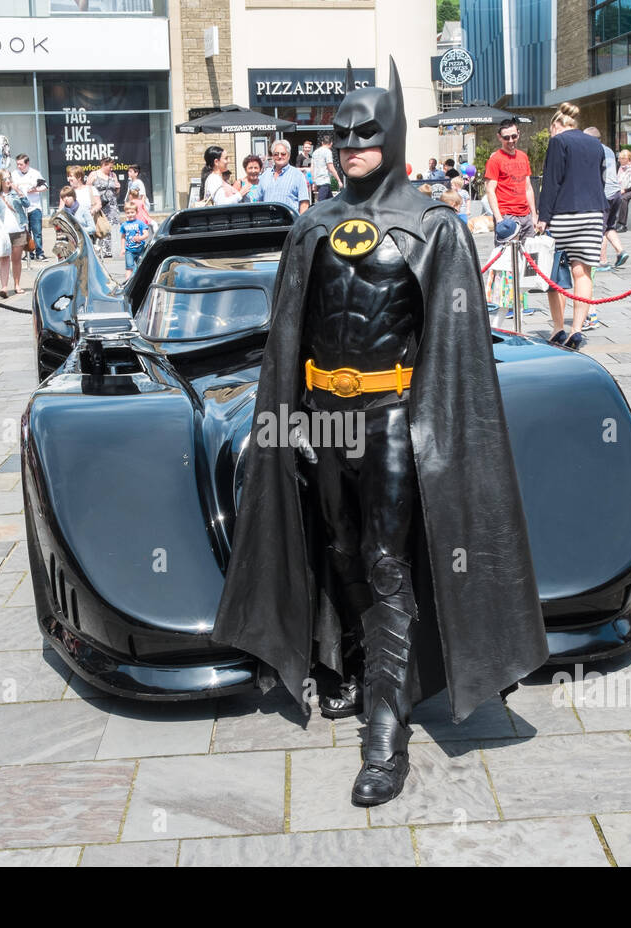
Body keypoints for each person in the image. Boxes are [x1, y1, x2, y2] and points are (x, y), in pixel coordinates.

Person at [212, 59, 547, 808]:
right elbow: (290, 336)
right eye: (339, 136)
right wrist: (288, 418)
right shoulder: (312, 225)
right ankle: (356, 664)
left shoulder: (435, 226)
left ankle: (385, 734)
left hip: (395, 417)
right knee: (338, 547)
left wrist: (440, 439)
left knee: (386, 560)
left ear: (392, 136)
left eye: (366, 133)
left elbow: (457, 353)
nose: (350, 145)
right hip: (326, 415)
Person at [536, 102, 608, 351]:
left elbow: (552, 181)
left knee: (554, 274)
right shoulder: (594, 143)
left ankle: (558, 328)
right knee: (582, 273)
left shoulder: (558, 142)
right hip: (593, 214)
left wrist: (543, 217)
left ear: (556, 125)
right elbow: (601, 180)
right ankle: (577, 329)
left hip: (564, 214)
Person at [484, 119, 536, 245]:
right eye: (506, 137)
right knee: (508, 258)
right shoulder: (495, 160)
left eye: (514, 136)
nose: (511, 141)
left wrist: (534, 214)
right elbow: (490, 190)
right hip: (507, 216)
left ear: (518, 133)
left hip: (525, 216)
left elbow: (528, 187)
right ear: (499, 138)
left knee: (530, 257)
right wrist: (499, 219)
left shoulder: (523, 156)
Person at [585, 127, 629, 270]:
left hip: (605, 194)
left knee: (600, 228)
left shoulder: (593, 151)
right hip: (616, 193)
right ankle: (621, 251)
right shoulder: (609, 150)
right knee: (609, 226)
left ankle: (602, 261)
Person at [0, 170, 27, 298]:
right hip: (3, 232)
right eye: (5, 179)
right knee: (4, 259)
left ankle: (17, 285)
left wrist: (19, 192)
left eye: (9, 177)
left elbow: (27, 204)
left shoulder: (16, 193)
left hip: (18, 229)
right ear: (0, 181)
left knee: (16, 259)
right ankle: (4, 287)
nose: (8, 181)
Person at [255, 140, 310, 214]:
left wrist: (300, 223)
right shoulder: (264, 176)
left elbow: (304, 203)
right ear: (273, 156)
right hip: (268, 222)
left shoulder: (298, 175)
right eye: (276, 154)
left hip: (290, 223)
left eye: (283, 154)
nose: (279, 156)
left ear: (289, 155)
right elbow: (258, 201)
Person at [12, 154, 48, 262]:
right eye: (17, 164)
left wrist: (35, 190)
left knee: (37, 231)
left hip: (34, 206)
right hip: (21, 208)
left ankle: (39, 253)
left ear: (27, 163)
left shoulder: (35, 173)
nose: (19, 166)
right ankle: (28, 253)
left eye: (21, 164)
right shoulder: (14, 174)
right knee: (24, 232)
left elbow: (45, 186)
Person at [89, 157, 122, 261]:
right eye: (109, 167)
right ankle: (101, 250)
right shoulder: (94, 174)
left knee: (112, 227)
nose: (111, 169)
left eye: (112, 167)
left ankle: (110, 250)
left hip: (112, 205)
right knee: (101, 226)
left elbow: (117, 192)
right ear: (103, 164)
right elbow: (88, 188)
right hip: (100, 204)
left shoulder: (113, 175)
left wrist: (118, 187)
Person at [614, 148, 631, 231]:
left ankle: (622, 224)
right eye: (619, 159)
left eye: (621, 159)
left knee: (623, 198)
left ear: (627, 159)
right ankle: (611, 222)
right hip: (622, 189)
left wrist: (624, 190)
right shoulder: (619, 168)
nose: (620, 160)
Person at [120, 197, 150, 273]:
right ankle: (128, 282)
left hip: (140, 249)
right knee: (129, 268)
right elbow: (123, 237)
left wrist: (140, 238)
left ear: (136, 212)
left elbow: (146, 234)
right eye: (128, 213)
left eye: (132, 212)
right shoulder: (124, 225)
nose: (130, 214)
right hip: (129, 250)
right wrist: (123, 248)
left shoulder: (140, 223)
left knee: (142, 267)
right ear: (125, 213)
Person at [310, 133, 341, 202]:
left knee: (330, 203)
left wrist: (314, 182)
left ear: (322, 143)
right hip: (324, 181)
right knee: (320, 204)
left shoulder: (315, 152)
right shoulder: (327, 152)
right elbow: (330, 167)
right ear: (331, 143)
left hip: (318, 181)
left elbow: (312, 168)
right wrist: (338, 180)